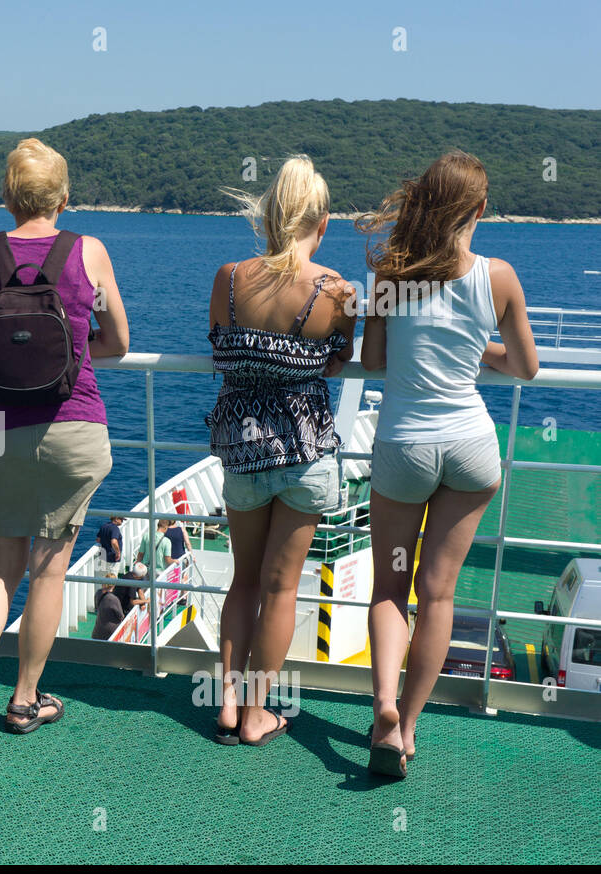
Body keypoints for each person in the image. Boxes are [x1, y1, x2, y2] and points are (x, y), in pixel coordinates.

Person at [358, 151, 538, 777]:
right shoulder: (499, 277)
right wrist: (473, 347)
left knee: (390, 588)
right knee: (438, 595)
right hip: (469, 446)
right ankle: (407, 728)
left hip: (406, 445)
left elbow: (375, 360)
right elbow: (525, 367)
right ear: (480, 209)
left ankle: (381, 704)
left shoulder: (392, 277)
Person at [0, 138, 129, 732]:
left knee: (3, 563)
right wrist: (76, 353)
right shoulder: (89, 251)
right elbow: (119, 341)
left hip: (2, 425)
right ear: (63, 196)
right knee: (50, 568)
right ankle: (25, 700)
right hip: (74, 423)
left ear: (6, 196)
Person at [207, 155, 356, 745]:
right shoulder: (335, 290)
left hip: (243, 452)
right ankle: (255, 715)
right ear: (321, 224)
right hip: (305, 452)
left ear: (266, 217)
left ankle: (223, 704)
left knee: (242, 581)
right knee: (280, 587)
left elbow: (221, 347)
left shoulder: (228, 278)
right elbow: (340, 358)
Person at [91, 574, 125, 641]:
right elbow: (121, 616)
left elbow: (96, 607)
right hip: (110, 633)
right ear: (115, 584)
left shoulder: (98, 593)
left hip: (98, 630)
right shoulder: (113, 599)